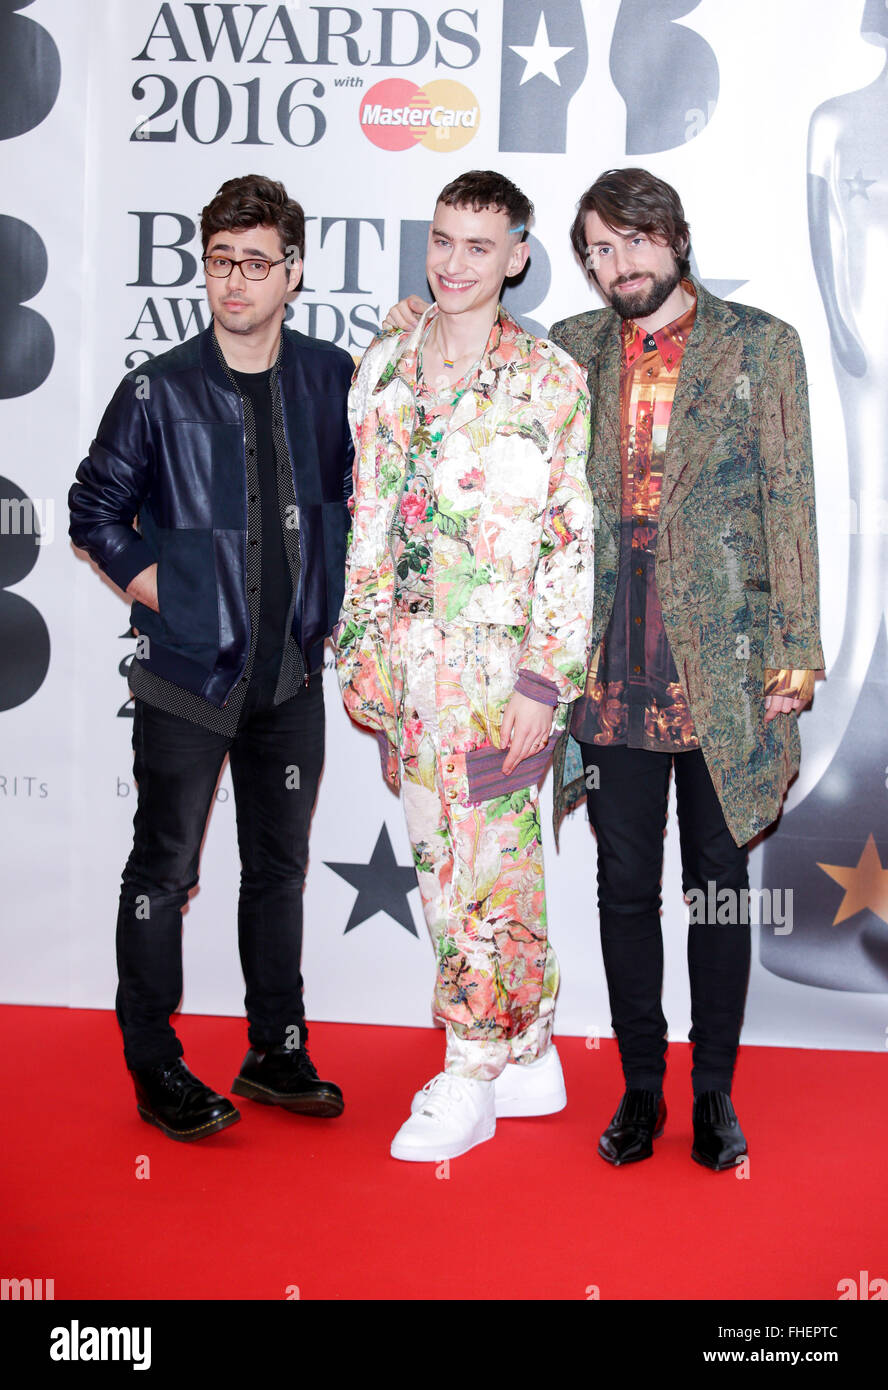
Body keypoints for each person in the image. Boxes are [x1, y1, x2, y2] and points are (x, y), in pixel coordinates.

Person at [385, 166, 824, 1170]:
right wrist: (413, 329)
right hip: (608, 655)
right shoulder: (572, 352)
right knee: (624, 886)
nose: (616, 263)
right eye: (596, 250)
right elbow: (474, 384)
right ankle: (640, 1091)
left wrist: (796, 650)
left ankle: (714, 1095)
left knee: (717, 881)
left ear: (673, 236)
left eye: (631, 241)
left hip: (727, 659)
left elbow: (791, 501)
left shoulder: (763, 345)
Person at [69, 175, 354, 1141]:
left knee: (278, 870)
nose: (234, 282)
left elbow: (365, 495)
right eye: (220, 262)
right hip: (188, 676)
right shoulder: (157, 387)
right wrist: (180, 598)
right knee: (163, 871)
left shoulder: (331, 378)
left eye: (256, 263)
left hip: (290, 677)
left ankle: (276, 1048)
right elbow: (92, 512)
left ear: (294, 272)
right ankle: (154, 1062)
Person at [337, 170, 593, 1161]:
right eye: (442, 240)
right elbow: (368, 522)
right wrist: (361, 658)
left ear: (518, 256)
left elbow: (574, 545)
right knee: (451, 868)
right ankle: (527, 1050)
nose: (453, 263)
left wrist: (545, 682)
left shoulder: (548, 381)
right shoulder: (385, 367)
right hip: (406, 676)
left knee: (489, 872)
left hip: (502, 687)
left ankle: (470, 1060)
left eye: (478, 246)